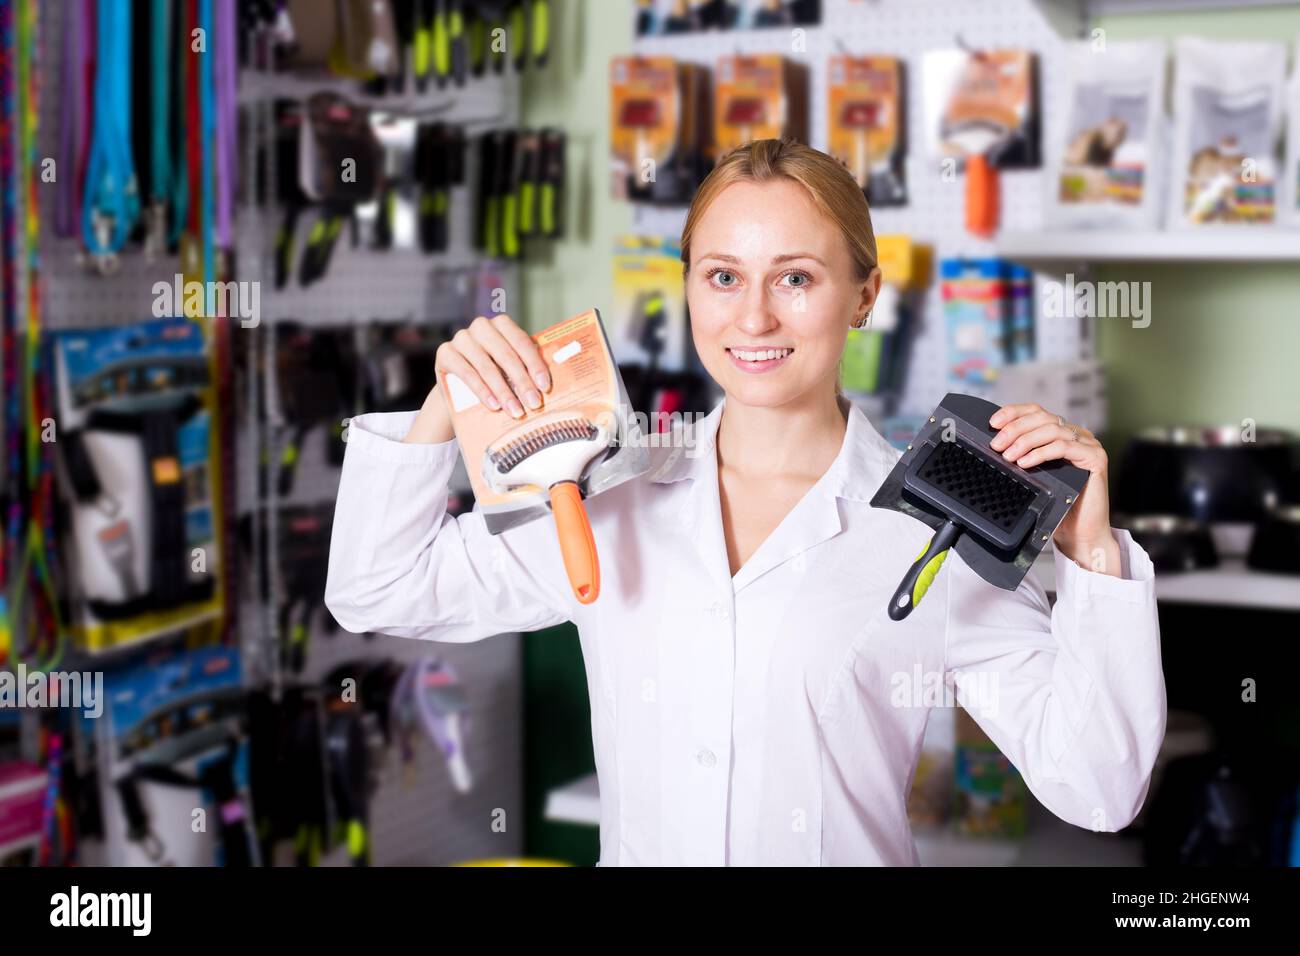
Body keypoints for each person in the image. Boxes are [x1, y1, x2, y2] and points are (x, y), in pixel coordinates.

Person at [325, 139, 1166, 866]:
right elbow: (377, 587)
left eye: (795, 278)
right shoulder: (608, 491)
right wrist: (446, 400)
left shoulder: (935, 533)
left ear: (865, 296)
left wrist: (1094, 558)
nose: (754, 317)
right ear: (688, 286)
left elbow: (1099, 787)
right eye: (723, 275)